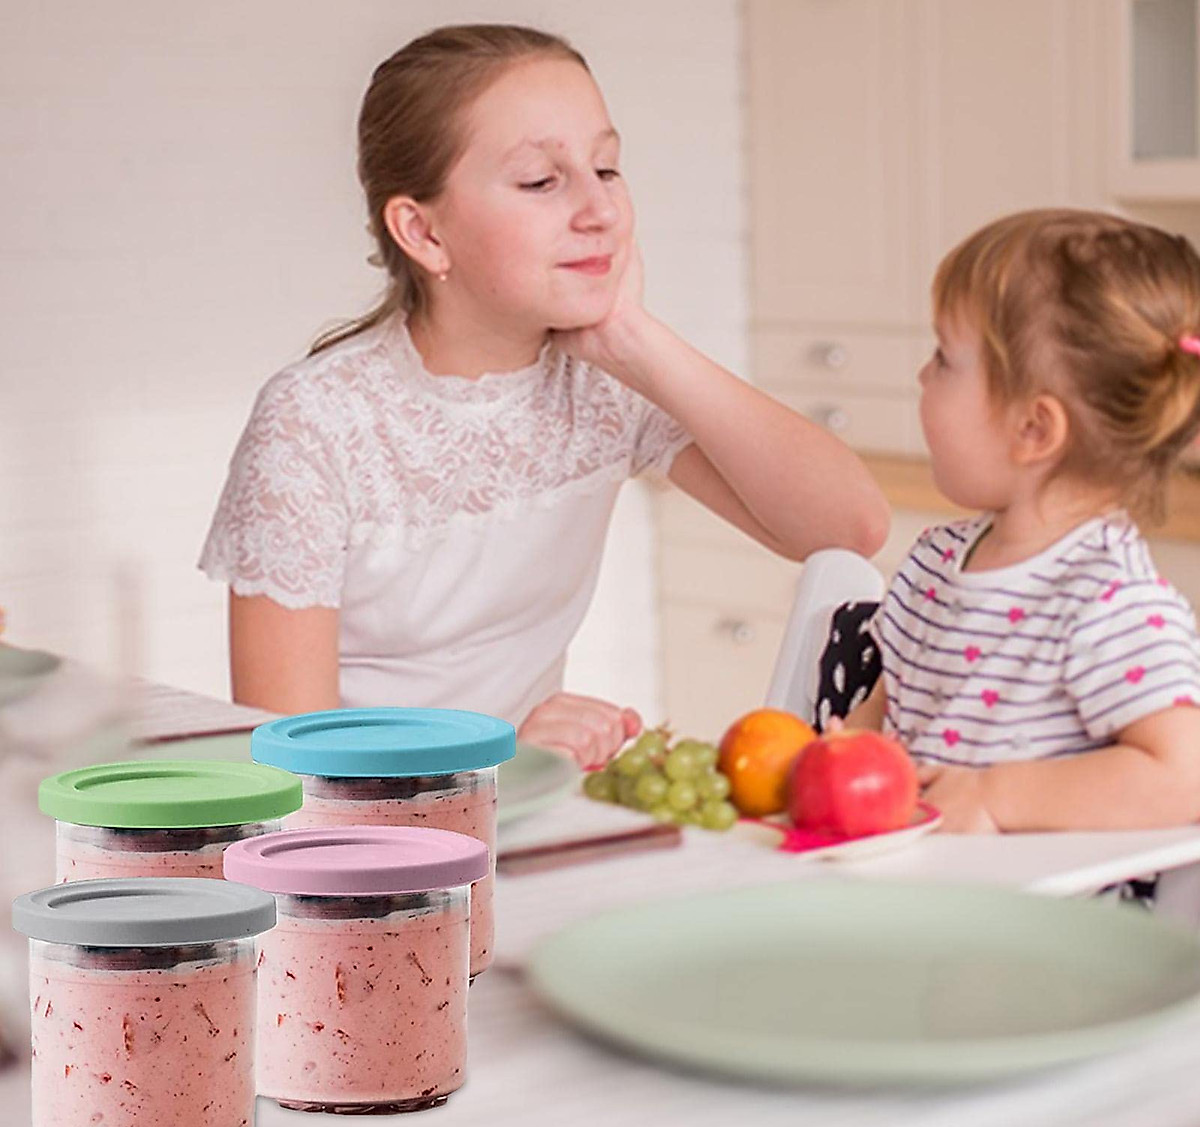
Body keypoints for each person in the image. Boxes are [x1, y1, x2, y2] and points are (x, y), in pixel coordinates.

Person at [198, 24, 888, 768]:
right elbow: (290, 776)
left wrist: (635, 339)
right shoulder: (315, 422)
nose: (600, 211)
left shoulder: (604, 382)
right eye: (540, 181)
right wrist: (495, 765)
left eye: (607, 168)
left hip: (533, 810)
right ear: (423, 233)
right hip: (395, 832)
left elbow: (847, 526)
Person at [844, 209, 1200, 832]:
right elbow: (887, 701)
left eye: (943, 357)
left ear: (1033, 428)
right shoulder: (934, 561)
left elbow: (1185, 776)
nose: (922, 374)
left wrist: (995, 796)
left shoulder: (1108, 598)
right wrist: (841, 754)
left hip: (1031, 897)